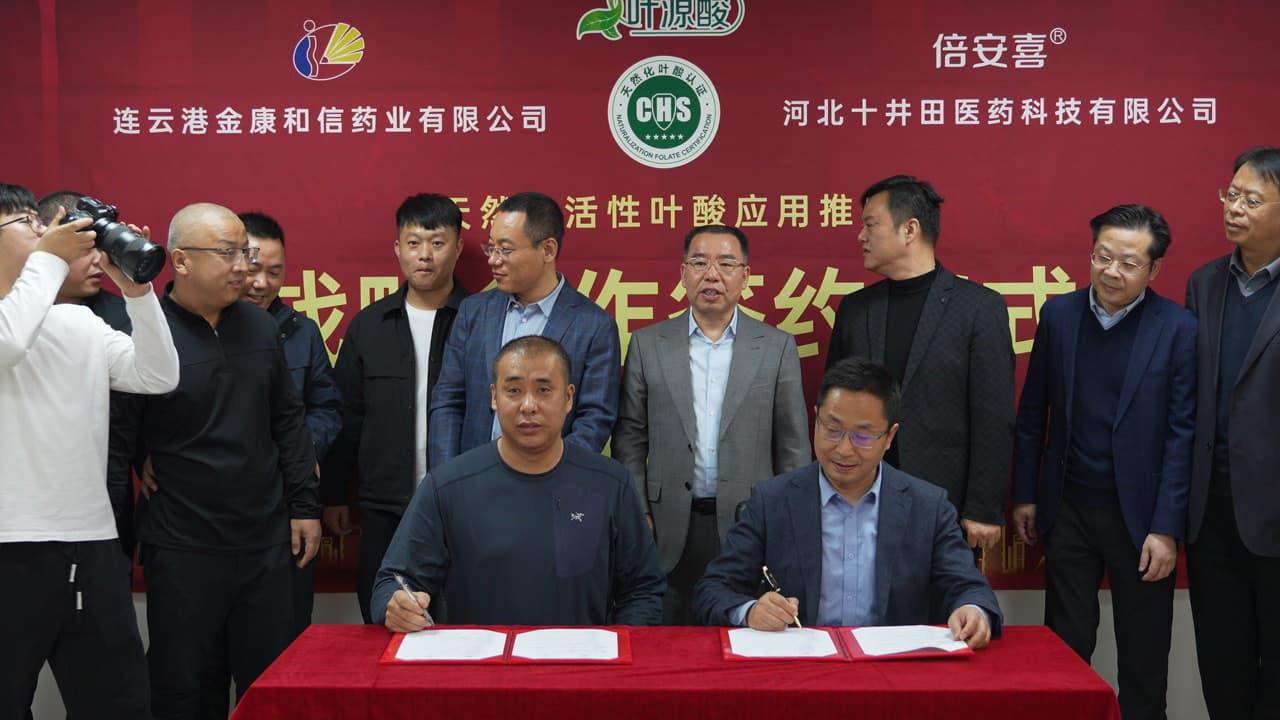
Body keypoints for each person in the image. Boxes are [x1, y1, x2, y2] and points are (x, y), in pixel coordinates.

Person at [121, 203, 319, 718]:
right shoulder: (146, 329)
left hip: (264, 538)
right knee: (183, 685)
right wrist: (142, 456)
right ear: (181, 260)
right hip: (182, 543)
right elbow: (117, 429)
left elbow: (288, 420)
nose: (242, 267)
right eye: (228, 254)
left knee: (269, 684)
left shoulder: (259, 325)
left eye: (244, 253)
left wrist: (305, 507)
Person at [0, 182, 179, 719]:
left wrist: (138, 293)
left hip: (93, 544)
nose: (45, 232)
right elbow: (10, 342)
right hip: (10, 546)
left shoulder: (77, 320)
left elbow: (158, 375)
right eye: (28, 223)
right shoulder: (14, 325)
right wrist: (50, 261)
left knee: (119, 704)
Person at [1012, 204, 1196, 719]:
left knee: (1143, 659)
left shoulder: (1179, 329)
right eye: (1103, 257)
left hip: (1142, 521)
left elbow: (1183, 435)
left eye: (1129, 263)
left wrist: (1167, 528)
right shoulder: (1059, 316)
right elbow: (1033, 412)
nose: (1112, 271)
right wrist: (1025, 493)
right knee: (1065, 651)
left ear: (1154, 269)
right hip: (1068, 507)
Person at [694, 357, 1001, 649]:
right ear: (815, 418)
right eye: (832, 429)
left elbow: (970, 588)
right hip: (802, 666)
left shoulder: (928, 507)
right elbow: (713, 590)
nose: (843, 449)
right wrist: (750, 611)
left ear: (890, 437)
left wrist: (972, 610)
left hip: (894, 669)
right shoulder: (771, 501)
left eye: (863, 437)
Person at [377, 336, 664, 630]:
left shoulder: (610, 484)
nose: (528, 406)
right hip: (481, 657)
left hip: (581, 657)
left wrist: (623, 643)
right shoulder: (447, 486)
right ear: (494, 397)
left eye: (544, 390)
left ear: (568, 398)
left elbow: (643, 590)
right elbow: (392, 581)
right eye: (513, 390)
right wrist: (398, 606)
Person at [613, 223, 810, 624]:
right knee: (665, 635)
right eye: (699, 263)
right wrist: (639, 509)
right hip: (666, 522)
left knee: (739, 634)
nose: (712, 275)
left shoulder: (776, 347)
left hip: (748, 521)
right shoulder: (648, 344)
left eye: (726, 263)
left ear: (745, 275)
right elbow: (630, 437)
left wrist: (785, 519)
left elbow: (793, 446)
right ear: (683, 272)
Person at [826, 175, 1014, 555]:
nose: (861, 236)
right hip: (859, 497)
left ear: (909, 229)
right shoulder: (856, 310)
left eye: (870, 225)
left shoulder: (978, 308)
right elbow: (833, 406)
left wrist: (983, 507)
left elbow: (994, 417)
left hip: (944, 503)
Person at [320, 193, 468, 624]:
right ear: (398, 248)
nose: (425, 255)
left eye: (438, 243)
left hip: (463, 502)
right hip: (384, 505)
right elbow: (348, 415)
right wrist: (335, 495)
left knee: (464, 622)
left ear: (458, 248)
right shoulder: (369, 325)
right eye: (414, 242)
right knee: (385, 618)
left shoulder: (479, 318)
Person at [1184, 146, 1280, 719]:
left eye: (1252, 199)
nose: (1234, 208)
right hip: (1212, 515)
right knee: (1223, 670)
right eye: (1231, 194)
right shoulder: (1205, 284)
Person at [428, 192, 620, 467]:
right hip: (473, 478)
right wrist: (449, 476)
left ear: (548, 250)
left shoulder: (594, 326)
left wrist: (547, 474)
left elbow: (595, 420)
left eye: (505, 250)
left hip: (553, 483)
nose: (493, 260)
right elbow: (448, 400)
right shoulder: (474, 312)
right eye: (491, 248)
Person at [238, 210, 342, 634]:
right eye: (253, 269)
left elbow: (327, 408)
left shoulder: (302, 332)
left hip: (287, 506)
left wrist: (302, 449)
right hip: (215, 514)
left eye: (275, 272)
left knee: (283, 636)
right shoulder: (197, 326)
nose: (261, 283)